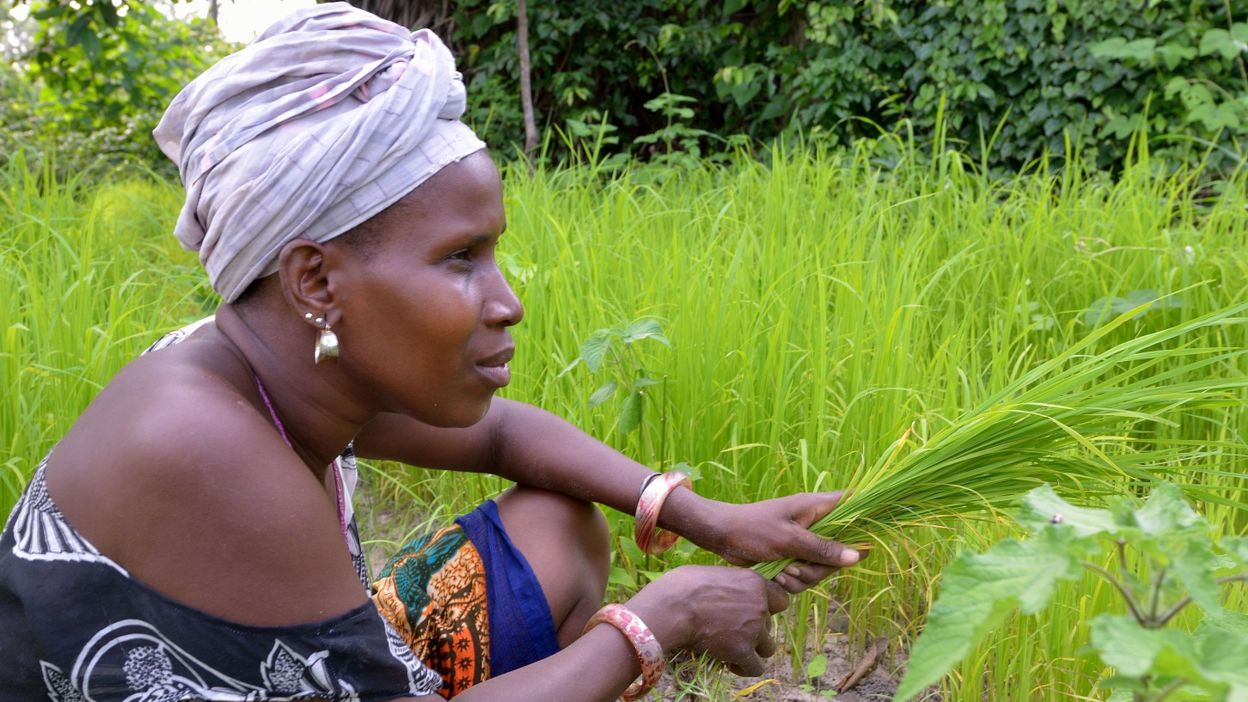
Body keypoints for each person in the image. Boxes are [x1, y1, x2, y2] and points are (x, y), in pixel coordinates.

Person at [0, 4, 860, 700]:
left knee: (559, 521)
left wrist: (706, 518)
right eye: (460, 258)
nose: (506, 301)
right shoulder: (207, 447)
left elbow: (498, 438)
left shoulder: (265, 367)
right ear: (316, 281)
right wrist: (657, 622)